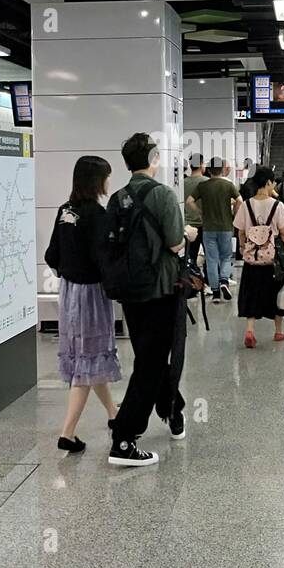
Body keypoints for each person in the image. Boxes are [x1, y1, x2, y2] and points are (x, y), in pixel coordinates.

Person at [106, 132, 188, 467]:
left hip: (129, 291)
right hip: (161, 289)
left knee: (148, 357)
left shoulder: (117, 198)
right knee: (151, 363)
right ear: (153, 158)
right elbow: (174, 242)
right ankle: (124, 437)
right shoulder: (163, 195)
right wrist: (187, 236)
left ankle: (173, 408)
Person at [44, 156, 122, 453]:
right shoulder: (98, 214)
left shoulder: (65, 210)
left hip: (69, 293)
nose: (109, 182)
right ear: (96, 180)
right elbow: (105, 258)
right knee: (87, 362)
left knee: (87, 354)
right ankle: (67, 432)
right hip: (92, 295)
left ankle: (114, 413)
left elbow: (52, 254)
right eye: (107, 176)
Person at [234, 166, 284, 348]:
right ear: (268, 183)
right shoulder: (277, 205)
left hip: (253, 258)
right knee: (277, 293)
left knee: (251, 292)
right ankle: (278, 331)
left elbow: (240, 232)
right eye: (272, 182)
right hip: (273, 258)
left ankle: (250, 330)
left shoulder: (246, 204)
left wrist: (245, 248)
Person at [195, 156, 239, 302]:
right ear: (222, 169)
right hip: (226, 226)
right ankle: (224, 281)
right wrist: (234, 213)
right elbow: (240, 200)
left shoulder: (203, 185)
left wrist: (200, 213)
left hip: (208, 228)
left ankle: (215, 294)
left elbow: (189, 200)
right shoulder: (228, 185)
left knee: (211, 259)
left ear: (208, 169)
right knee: (226, 256)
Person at [182, 153, 206, 268]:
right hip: (205, 224)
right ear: (201, 164)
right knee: (209, 256)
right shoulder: (207, 182)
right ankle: (208, 280)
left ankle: (192, 281)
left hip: (189, 225)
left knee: (190, 257)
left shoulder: (183, 183)